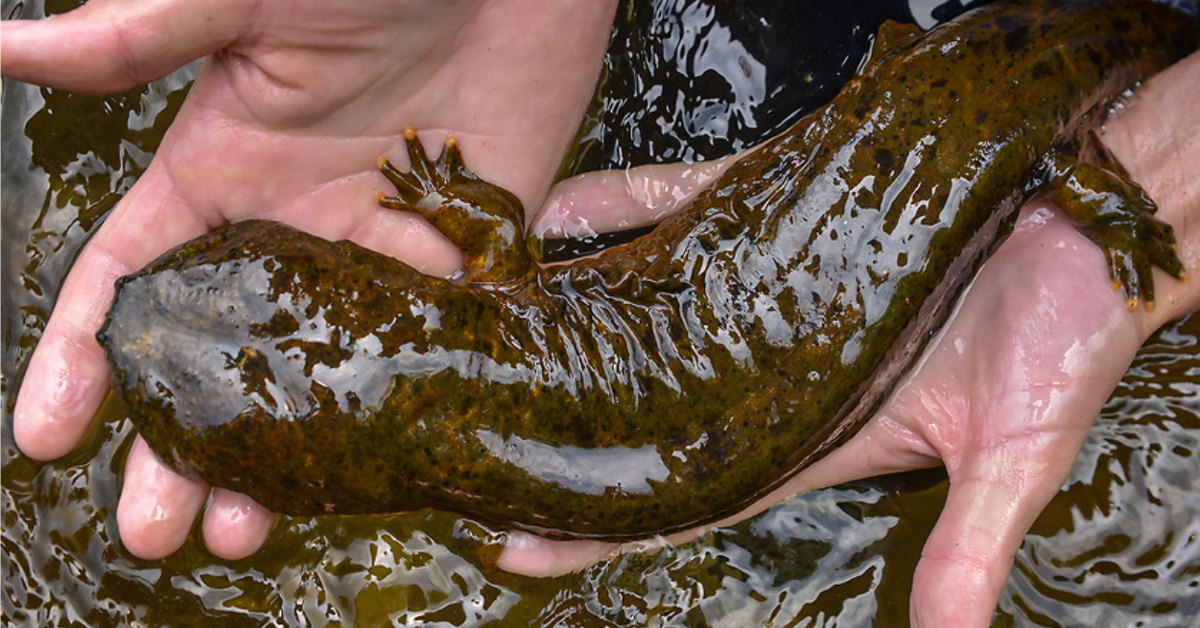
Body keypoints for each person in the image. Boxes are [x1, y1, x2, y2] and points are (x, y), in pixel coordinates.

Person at [2, 0, 1199, 625]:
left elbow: (505, 257)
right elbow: (500, 246)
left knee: (1021, 124)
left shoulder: (469, 447)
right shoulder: (482, 336)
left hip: (984, 132)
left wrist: (1161, 179)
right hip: (928, 120)